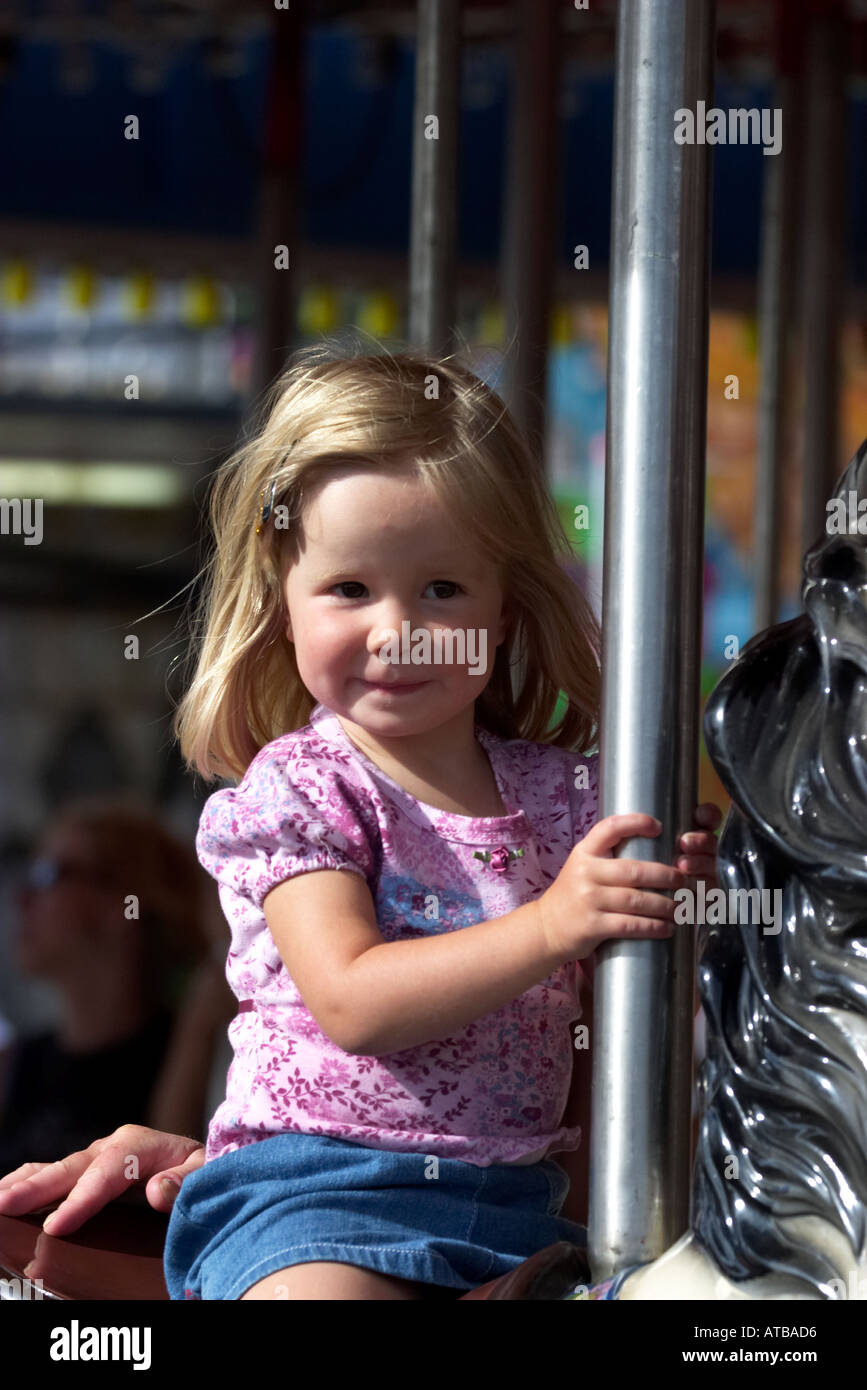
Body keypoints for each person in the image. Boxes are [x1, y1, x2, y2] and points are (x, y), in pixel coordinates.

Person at [0, 342, 721, 1300]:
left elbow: (631, 1010)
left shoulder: (566, 799)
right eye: (349, 589)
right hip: (313, 1196)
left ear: (503, 610)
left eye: (442, 589)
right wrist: (553, 924)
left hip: (518, 1206)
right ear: (283, 605)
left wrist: (687, 892)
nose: (397, 629)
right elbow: (352, 999)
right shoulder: (301, 793)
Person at [0, 799, 231, 1172]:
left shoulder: (203, 1048)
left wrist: (198, 1030)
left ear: (121, 906)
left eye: (48, 875)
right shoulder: (12, 1065)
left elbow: (167, 1189)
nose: (23, 898)